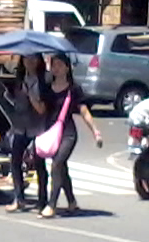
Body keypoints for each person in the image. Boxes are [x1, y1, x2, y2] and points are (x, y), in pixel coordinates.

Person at [41, 53, 105, 218]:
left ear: (67, 67)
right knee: (62, 168)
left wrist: (95, 132)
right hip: (51, 133)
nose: (56, 68)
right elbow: (41, 110)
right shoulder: (46, 87)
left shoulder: (74, 88)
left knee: (57, 164)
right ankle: (72, 202)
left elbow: (84, 111)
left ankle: (52, 205)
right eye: (53, 65)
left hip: (68, 133)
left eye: (60, 65)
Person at [4, 54, 50, 213]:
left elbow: (42, 109)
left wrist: (30, 95)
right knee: (15, 162)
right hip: (20, 126)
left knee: (39, 165)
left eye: (33, 59)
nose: (30, 62)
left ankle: (43, 200)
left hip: (37, 127)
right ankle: (19, 198)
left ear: (39, 61)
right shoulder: (19, 79)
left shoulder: (44, 81)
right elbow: (14, 101)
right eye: (26, 58)